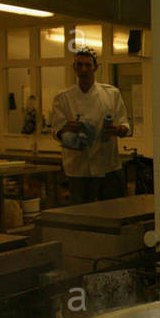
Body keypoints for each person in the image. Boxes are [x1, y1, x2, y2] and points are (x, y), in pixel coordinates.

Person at [51, 46, 130, 204]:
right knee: (82, 213)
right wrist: (67, 129)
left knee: (112, 209)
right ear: (74, 68)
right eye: (79, 65)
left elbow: (125, 124)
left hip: (108, 164)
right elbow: (56, 131)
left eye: (87, 65)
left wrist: (117, 130)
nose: (84, 69)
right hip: (78, 167)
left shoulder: (111, 94)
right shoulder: (63, 98)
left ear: (95, 67)